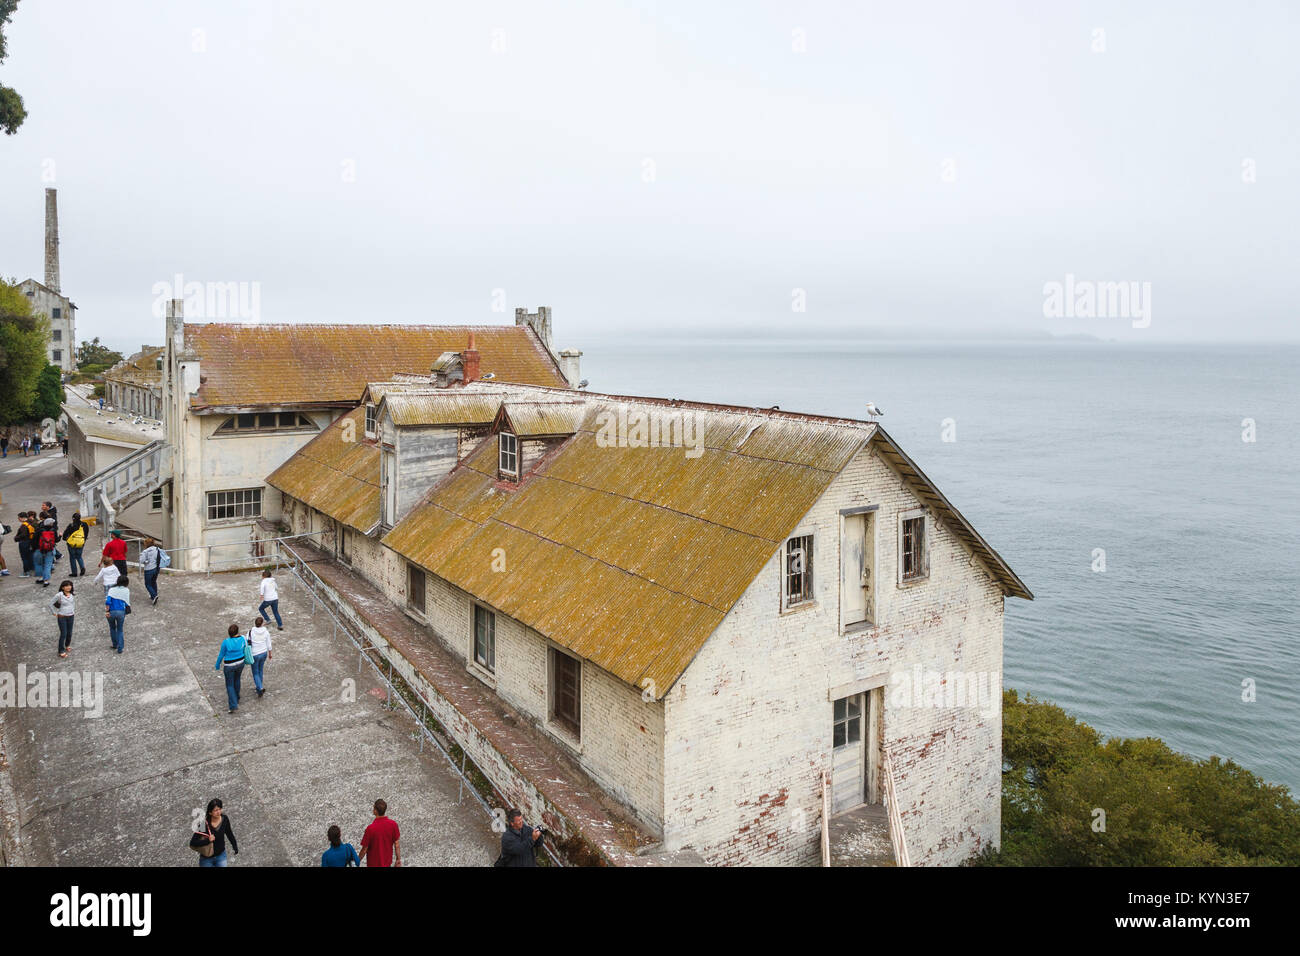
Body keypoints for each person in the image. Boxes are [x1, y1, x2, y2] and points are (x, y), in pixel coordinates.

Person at [190, 799, 238, 867]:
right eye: (215, 810)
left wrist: (234, 845)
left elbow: (229, 833)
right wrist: (208, 840)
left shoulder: (224, 819)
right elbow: (193, 842)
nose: (218, 812)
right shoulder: (204, 824)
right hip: (206, 860)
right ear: (210, 812)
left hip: (221, 857)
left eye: (219, 809)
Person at [214, 624, 249, 714]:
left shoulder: (226, 642)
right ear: (237, 631)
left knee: (229, 685)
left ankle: (233, 705)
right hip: (240, 662)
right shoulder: (242, 639)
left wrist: (217, 664)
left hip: (229, 665)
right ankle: (237, 697)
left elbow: (221, 654)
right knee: (237, 680)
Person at [357, 799, 401, 867]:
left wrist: (357, 861)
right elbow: (397, 844)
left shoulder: (370, 829)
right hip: (387, 863)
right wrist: (398, 859)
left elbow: (364, 849)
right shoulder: (393, 825)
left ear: (375, 811)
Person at [50, 580, 75, 658]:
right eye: (66, 586)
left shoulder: (72, 594)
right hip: (62, 617)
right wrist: (54, 612)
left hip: (71, 616)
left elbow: (72, 604)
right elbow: (51, 604)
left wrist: (72, 611)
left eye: (70, 585)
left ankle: (67, 645)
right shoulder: (59, 595)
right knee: (63, 633)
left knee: (69, 633)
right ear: (62, 587)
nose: (68, 587)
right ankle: (61, 650)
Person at [105, 574, 130, 654]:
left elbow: (108, 601)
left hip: (111, 612)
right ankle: (120, 648)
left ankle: (114, 644)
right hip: (121, 612)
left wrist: (107, 612)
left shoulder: (111, 590)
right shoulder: (126, 590)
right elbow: (127, 603)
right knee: (120, 629)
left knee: (112, 628)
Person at [247, 616, 271, 697]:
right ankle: (259, 686)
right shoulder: (266, 632)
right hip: (263, 652)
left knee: (255, 672)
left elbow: (247, 642)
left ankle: (259, 687)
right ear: (262, 623)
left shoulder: (250, 632)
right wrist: (270, 653)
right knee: (260, 670)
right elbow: (269, 643)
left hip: (255, 654)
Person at [33, 517, 58, 586]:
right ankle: (46, 581)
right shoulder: (53, 530)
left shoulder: (39, 530)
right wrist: (60, 536)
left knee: (39, 564)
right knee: (48, 565)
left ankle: (40, 578)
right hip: (50, 549)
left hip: (39, 549)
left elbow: (34, 540)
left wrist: (34, 548)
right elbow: (56, 540)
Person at [139, 537, 162, 605]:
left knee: (147, 584)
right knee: (153, 582)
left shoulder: (145, 551)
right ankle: (154, 594)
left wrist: (146, 561)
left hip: (148, 569)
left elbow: (141, 560)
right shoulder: (157, 549)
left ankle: (154, 595)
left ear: (146, 544)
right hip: (155, 568)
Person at [14, 513, 35, 577]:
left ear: (22, 518)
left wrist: (16, 538)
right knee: (30, 556)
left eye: (19, 518)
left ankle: (26, 572)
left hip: (24, 543)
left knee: (24, 558)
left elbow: (23, 535)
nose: (18, 519)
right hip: (30, 542)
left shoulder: (24, 526)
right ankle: (32, 568)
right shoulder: (30, 523)